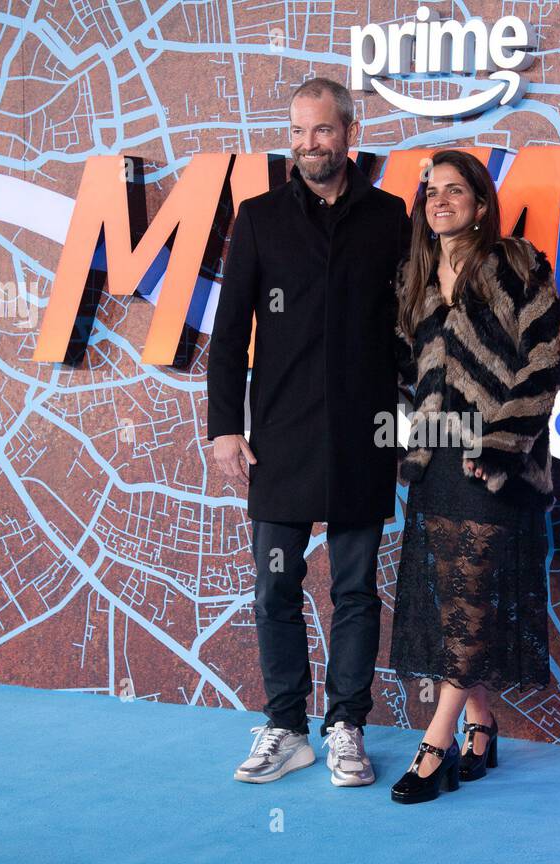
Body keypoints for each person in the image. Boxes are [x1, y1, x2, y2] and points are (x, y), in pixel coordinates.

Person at [206, 77, 411, 786]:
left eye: (320, 131)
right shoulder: (259, 218)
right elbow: (230, 333)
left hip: (364, 435)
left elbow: (411, 328)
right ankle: (286, 727)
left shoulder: (390, 217)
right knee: (274, 589)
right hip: (280, 436)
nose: (306, 144)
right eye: (296, 131)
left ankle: (347, 725)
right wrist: (224, 428)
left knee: (354, 591)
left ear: (349, 132)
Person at [387, 149, 560, 804]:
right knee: (455, 601)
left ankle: (436, 744)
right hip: (436, 461)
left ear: (482, 202)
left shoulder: (520, 264)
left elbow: (545, 363)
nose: (441, 201)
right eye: (432, 191)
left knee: (471, 601)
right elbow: (405, 375)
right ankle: (480, 723)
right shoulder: (413, 276)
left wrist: (500, 446)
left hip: (495, 463)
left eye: (455, 190)